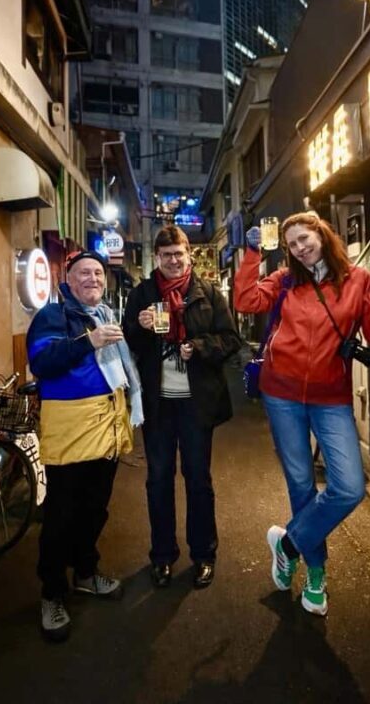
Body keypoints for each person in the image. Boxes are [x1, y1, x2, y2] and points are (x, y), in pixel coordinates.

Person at [234, 212, 370, 616]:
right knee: (302, 486)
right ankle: (317, 576)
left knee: (349, 488)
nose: (300, 248)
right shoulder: (287, 279)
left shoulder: (356, 280)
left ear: (321, 234)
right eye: (292, 244)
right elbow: (245, 300)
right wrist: (252, 253)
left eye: (305, 239)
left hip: (331, 397)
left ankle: (287, 543)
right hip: (281, 393)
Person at [27, 249, 143, 642]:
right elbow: (43, 363)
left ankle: (86, 572)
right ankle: (52, 592)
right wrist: (87, 341)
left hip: (106, 427)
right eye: (84, 273)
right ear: (69, 280)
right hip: (70, 430)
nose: (93, 278)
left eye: (98, 272)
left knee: (94, 510)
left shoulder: (106, 314)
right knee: (61, 515)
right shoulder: (53, 316)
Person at [123, 226, 241, 589]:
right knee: (158, 480)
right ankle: (162, 556)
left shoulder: (207, 293)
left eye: (179, 253)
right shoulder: (142, 294)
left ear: (188, 254)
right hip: (158, 404)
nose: (173, 260)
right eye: (166, 255)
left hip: (195, 404)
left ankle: (203, 554)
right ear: (156, 258)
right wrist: (140, 327)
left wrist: (199, 347)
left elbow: (231, 339)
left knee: (198, 479)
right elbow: (128, 341)